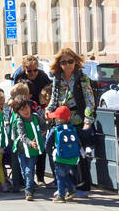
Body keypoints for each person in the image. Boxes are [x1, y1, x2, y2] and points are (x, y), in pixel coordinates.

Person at [47, 49, 96, 193]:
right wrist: (49, 110)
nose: (67, 65)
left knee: (79, 154)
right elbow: (54, 98)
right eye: (64, 62)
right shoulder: (57, 78)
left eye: (70, 61)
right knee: (61, 152)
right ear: (59, 64)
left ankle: (83, 187)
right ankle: (68, 185)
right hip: (61, 119)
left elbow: (90, 102)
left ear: (75, 62)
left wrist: (88, 121)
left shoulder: (82, 78)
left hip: (77, 118)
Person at [11, 97, 44, 200]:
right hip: (22, 150)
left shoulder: (36, 117)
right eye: (22, 109)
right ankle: (29, 185)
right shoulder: (19, 122)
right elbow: (22, 136)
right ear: (18, 112)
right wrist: (30, 142)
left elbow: (44, 126)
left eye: (26, 107)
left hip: (33, 150)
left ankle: (29, 190)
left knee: (29, 170)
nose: (25, 111)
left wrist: (41, 135)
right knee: (24, 171)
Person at [47, 105, 81, 201]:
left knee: (60, 177)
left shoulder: (55, 129)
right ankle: (71, 190)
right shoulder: (73, 129)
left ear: (58, 119)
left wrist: (50, 153)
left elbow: (47, 144)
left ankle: (61, 196)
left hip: (60, 157)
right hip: (73, 158)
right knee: (64, 174)